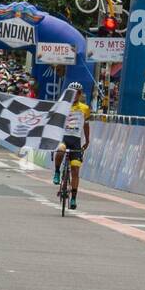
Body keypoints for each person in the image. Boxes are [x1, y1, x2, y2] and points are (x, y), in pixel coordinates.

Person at [53, 82, 91, 210]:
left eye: (77, 93)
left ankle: (74, 198)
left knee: (75, 170)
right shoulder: (62, 106)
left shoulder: (85, 108)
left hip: (75, 141)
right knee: (60, 150)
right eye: (72, 92)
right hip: (63, 138)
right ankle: (57, 172)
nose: (75, 95)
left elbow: (86, 125)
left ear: (80, 94)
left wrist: (87, 140)